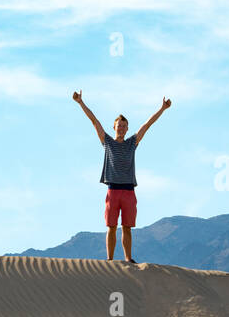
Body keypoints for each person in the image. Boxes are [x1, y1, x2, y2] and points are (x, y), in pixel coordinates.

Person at [72, 91, 171, 263]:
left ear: (127, 129)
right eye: (119, 125)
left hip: (129, 191)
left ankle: (128, 258)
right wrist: (81, 103)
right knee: (111, 227)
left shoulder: (132, 143)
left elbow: (147, 125)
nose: (121, 128)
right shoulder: (107, 142)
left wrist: (162, 108)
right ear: (114, 127)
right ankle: (110, 260)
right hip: (113, 190)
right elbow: (94, 121)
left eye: (124, 126)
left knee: (127, 227)